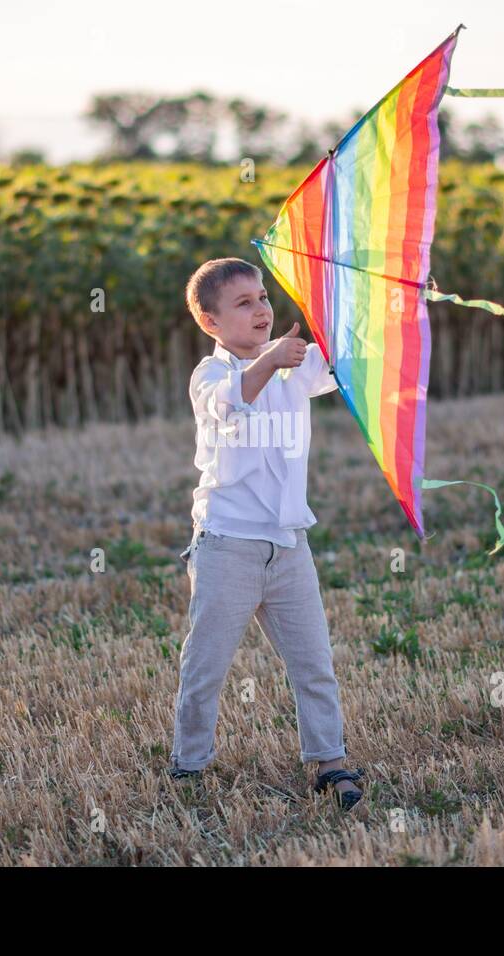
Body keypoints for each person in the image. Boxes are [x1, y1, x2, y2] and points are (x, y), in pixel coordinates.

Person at [168, 257, 365, 813]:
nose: (261, 308)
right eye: (244, 303)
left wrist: (401, 302)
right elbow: (233, 398)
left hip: (288, 546)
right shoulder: (210, 376)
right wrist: (272, 357)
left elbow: (348, 354)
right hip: (227, 546)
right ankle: (189, 766)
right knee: (205, 668)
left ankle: (330, 762)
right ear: (211, 323)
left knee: (314, 664)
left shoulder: (292, 364)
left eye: (263, 297)